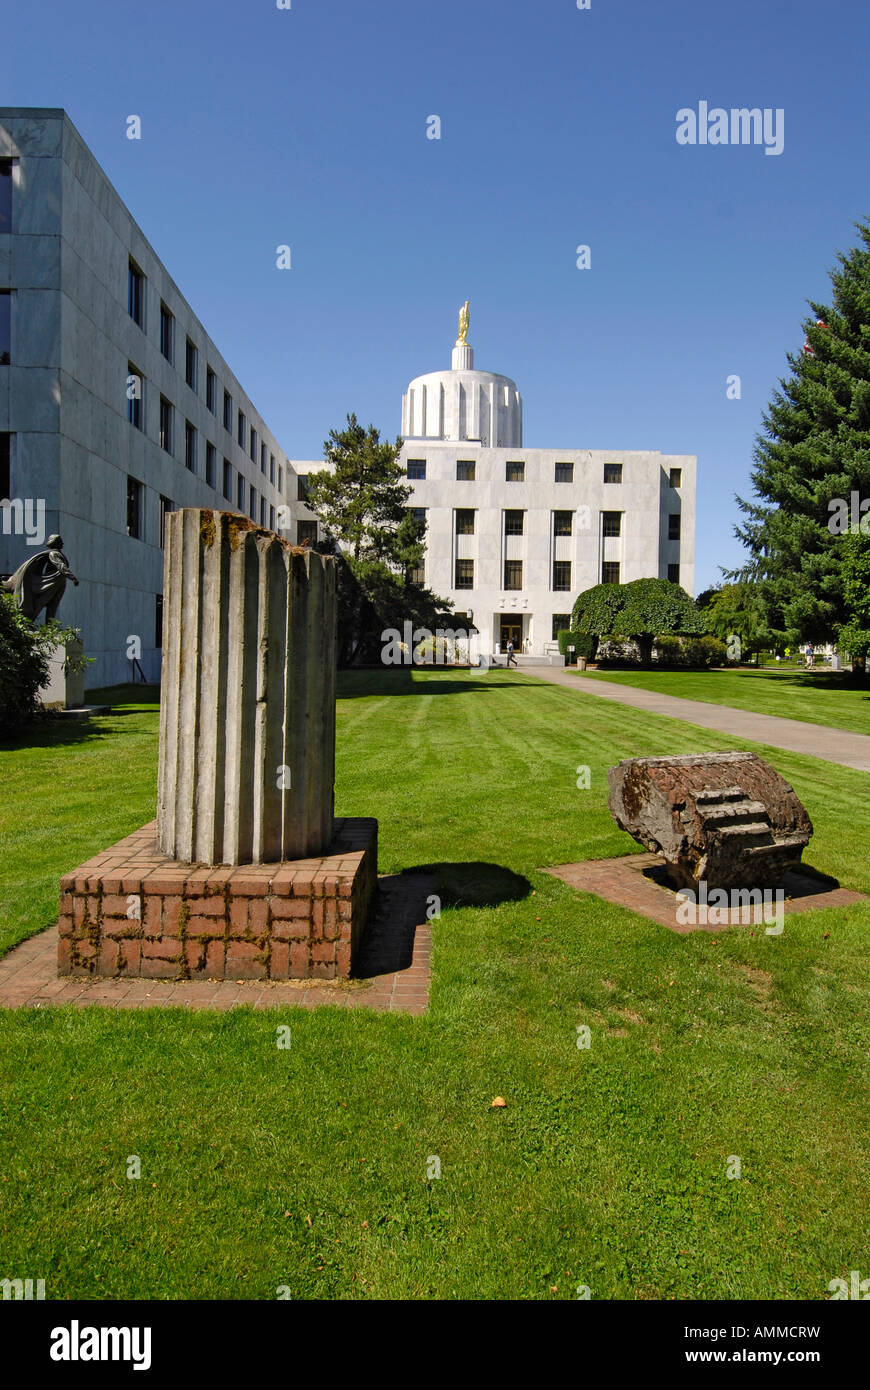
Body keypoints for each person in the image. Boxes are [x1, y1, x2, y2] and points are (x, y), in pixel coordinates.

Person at [1, 534, 79, 622]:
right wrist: (72, 577)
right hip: (53, 582)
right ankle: (42, 624)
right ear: (55, 542)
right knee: (46, 603)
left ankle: (50, 628)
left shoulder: (57, 553)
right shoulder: (54, 553)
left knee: (53, 605)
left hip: (59, 582)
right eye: (60, 541)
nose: (63, 543)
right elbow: (60, 565)